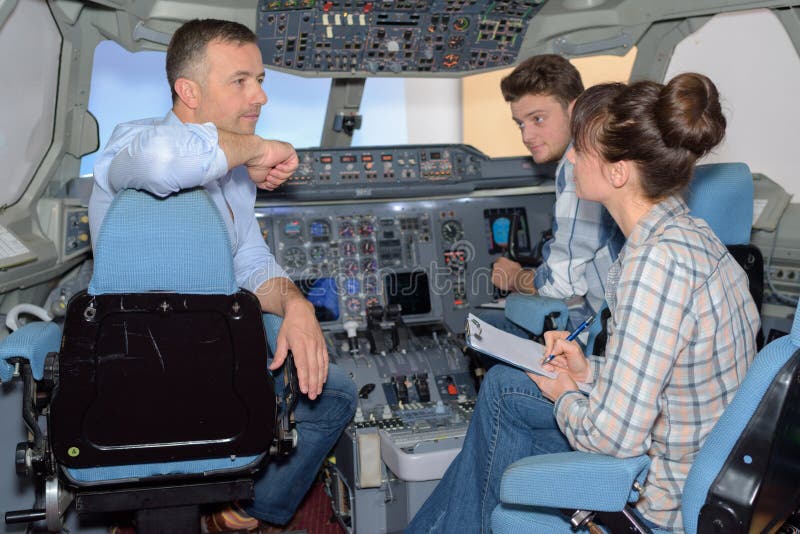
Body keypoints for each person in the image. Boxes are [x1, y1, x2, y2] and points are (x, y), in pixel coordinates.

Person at [407, 72, 760, 533]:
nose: (569, 157)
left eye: (580, 149)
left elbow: (611, 439)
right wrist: (587, 371)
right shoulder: (690, 235)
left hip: (661, 501)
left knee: (512, 399)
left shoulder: (654, 267)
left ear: (617, 172)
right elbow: (665, 378)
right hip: (702, 460)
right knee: (507, 390)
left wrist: (566, 394)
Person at [88, 19, 357, 530]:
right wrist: (258, 150)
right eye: (240, 81)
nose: (259, 96)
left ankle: (237, 510)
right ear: (187, 90)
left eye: (260, 79)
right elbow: (167, 162)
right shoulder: (133, 144)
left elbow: (252, 263)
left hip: (216, 364)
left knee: (332, 388)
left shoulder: (234, 177)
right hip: (132, 371)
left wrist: (297, 305)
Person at [481, 54, 623, 335]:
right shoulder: (613, 150)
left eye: (538, 119)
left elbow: (559, 285)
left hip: (607, 332)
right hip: (610, 315)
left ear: (575, 109)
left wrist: (513, 278)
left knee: (482, 326)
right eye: (520, 123)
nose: (526, 135)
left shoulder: (578, 168)